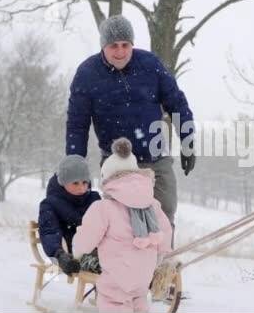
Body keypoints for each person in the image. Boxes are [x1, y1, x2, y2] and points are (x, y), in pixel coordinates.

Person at [66, 14, 195, 233]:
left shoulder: (150, 65)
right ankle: (126, 266)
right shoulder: (87, 74)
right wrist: (75, 166)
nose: (120, 52)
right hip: (117, 162)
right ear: (103, 47)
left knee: (164, 214)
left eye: (125, 45)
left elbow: (177, 103)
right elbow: (77, 125)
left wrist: (187, 142)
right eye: (113, 46)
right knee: (122, 225)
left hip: (155, 157)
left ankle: (160, 265)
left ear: (132, 44)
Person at [73, 138, 173, 313]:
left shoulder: (104, 208)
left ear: (108, 178)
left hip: (117, 276)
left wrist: (77, 251)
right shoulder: (152, 204)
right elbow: (165, 230)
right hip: (144, 274)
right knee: (139, 301)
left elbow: (87, 237)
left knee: (114, 302)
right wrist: (161, 254)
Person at [38, 155, 101, 276]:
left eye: (84, 182)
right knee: (110, 267)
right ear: (63, 183)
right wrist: (60, 255)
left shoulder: (94, 199)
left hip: (103, 249)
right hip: (74, 255)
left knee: (128, 262)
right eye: (75, 183)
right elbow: (49, 232)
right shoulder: (50, 204)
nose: (81, 188)